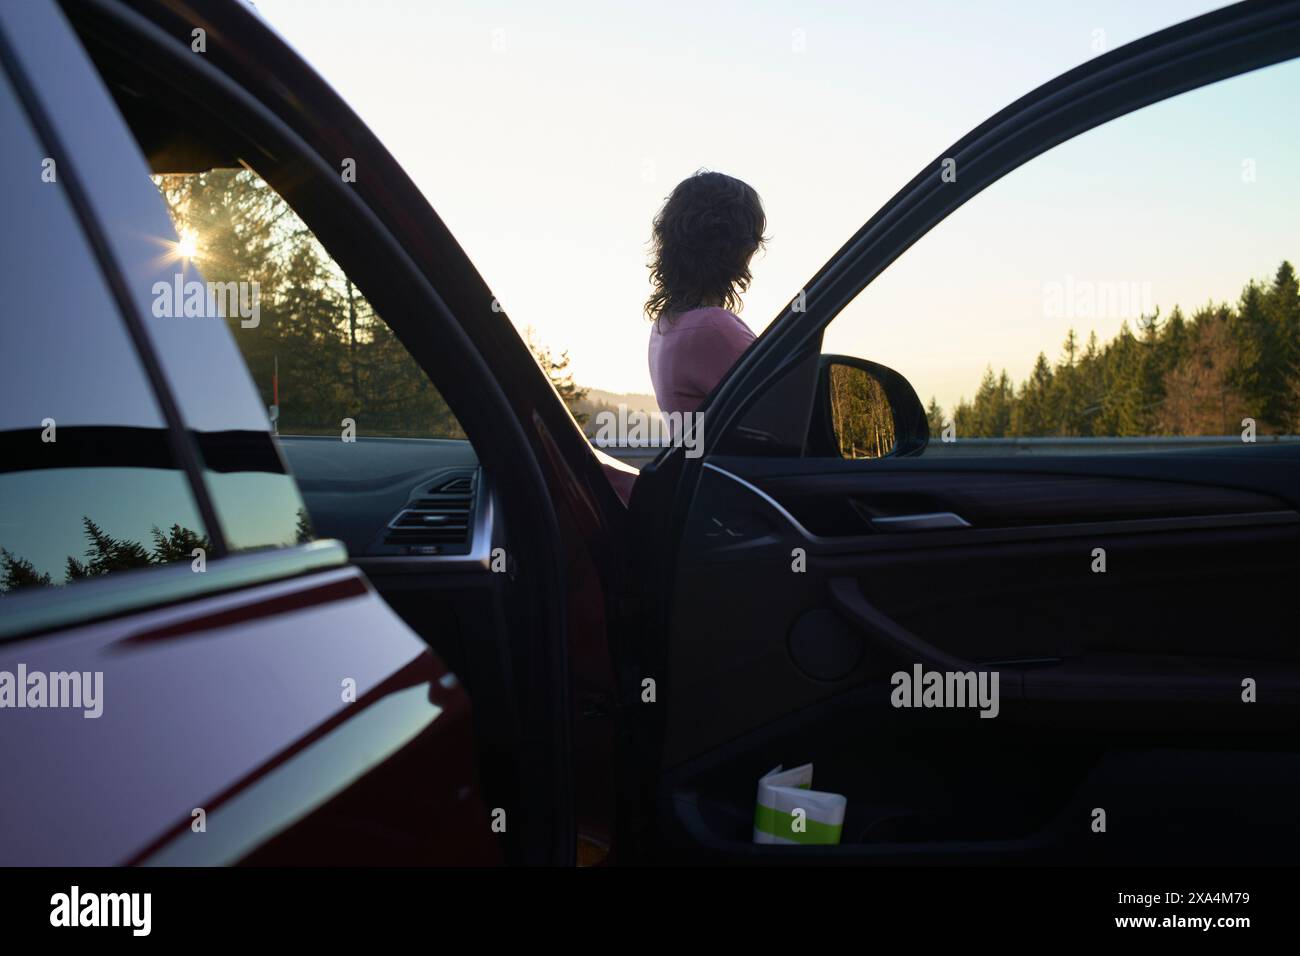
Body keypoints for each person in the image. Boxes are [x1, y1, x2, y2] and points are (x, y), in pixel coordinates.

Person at [646, 170, 767, 418]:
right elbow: (786, 411)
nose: (756, 248)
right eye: (753, 237)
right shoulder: (713, 328)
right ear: (736, 247)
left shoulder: (666, 324)